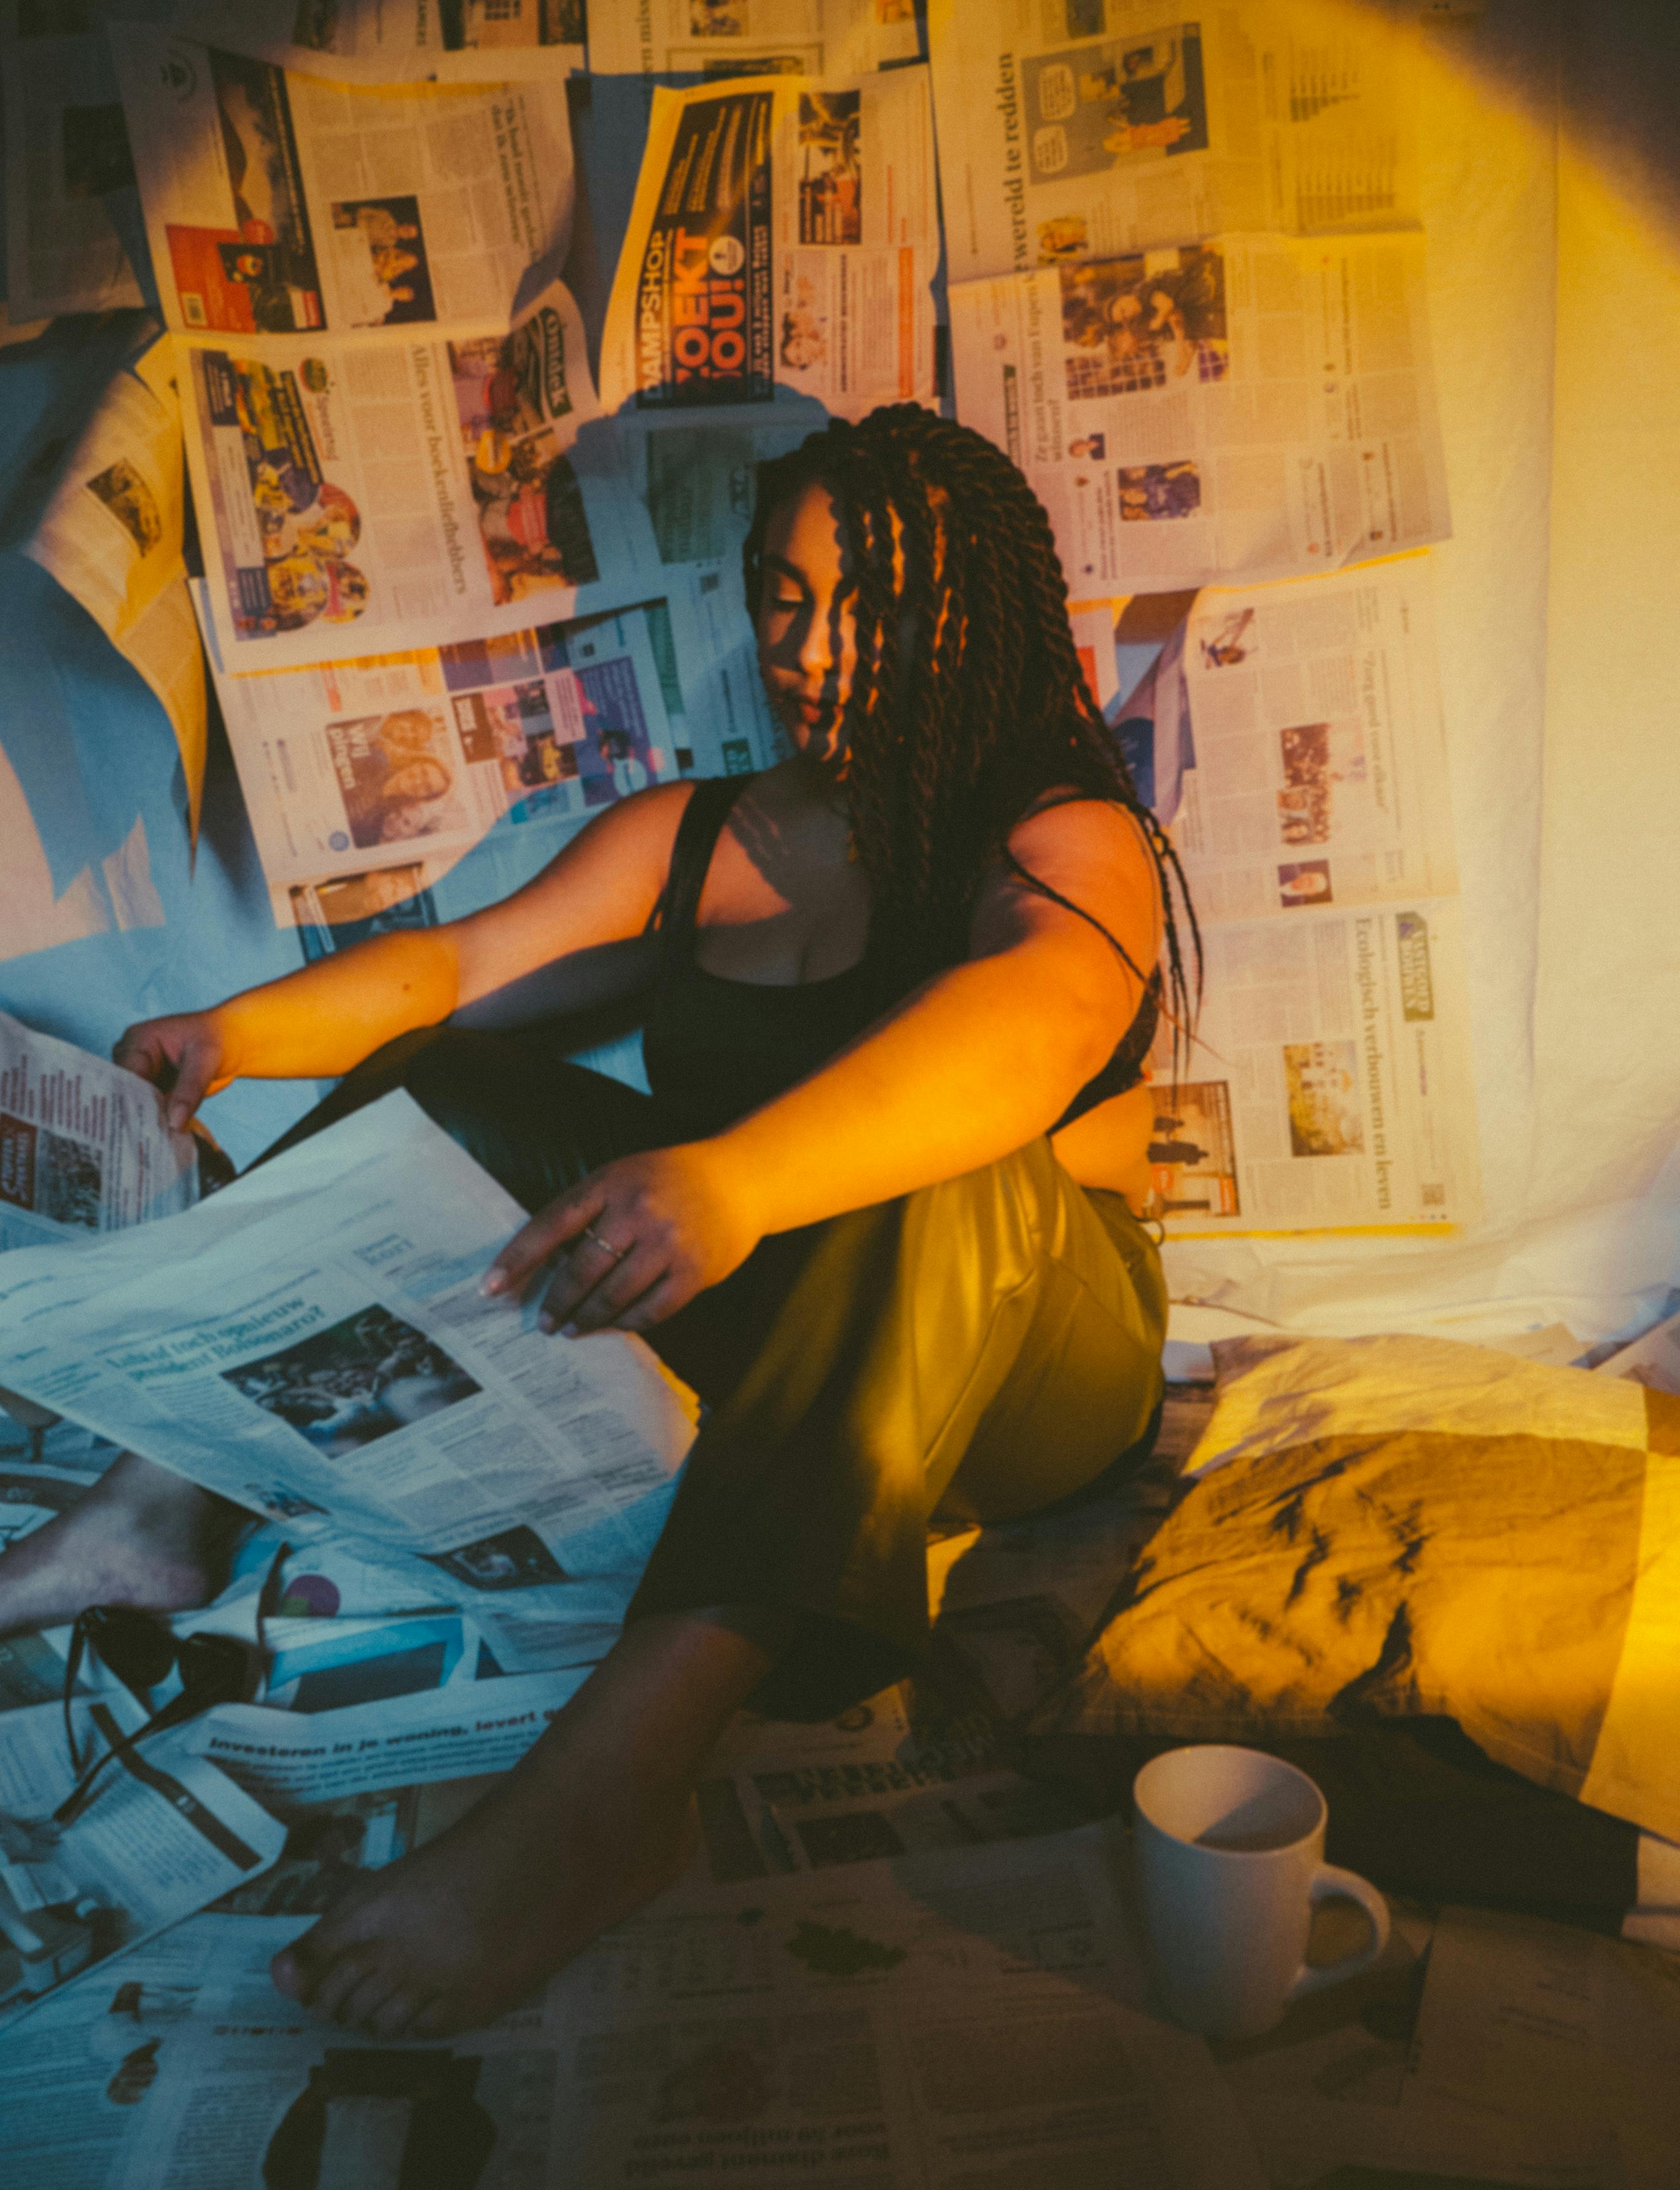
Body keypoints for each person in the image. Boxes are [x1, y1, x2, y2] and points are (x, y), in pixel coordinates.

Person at [0, 404, 1198, 2040]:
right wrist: (235, 1035)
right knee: (448, 1082)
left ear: (968, 624)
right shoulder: (707, 836)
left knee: (945, 1159)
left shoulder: (1061, 833)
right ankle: (156, 1511)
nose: (813, 650)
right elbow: (456, 973)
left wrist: (741, 1177)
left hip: (1031, 1371)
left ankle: (617, 1782)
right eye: (786, 596)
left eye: (872, 608)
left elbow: (1042, 1020)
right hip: (786, 1348)